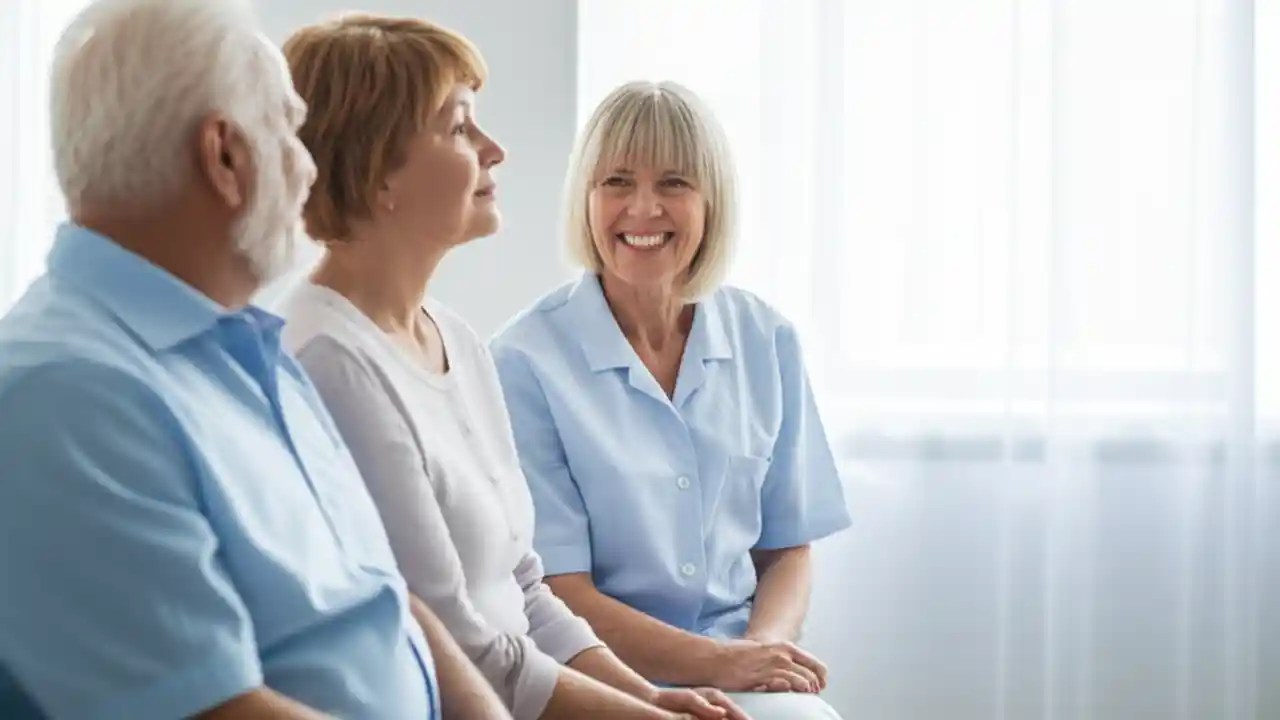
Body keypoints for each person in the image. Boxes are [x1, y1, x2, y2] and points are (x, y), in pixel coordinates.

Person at [0, 1, 509, 718]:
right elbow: (220, 711)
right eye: (289, 131)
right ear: (226, 157)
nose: (310, 172)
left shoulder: (246, 353)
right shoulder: (65, 397)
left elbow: (387, 602)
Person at [276, 15, 743, 720]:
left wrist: (653, 697)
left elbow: (522, 587)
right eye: (460, 126)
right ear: (378, 173)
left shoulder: (457, 339)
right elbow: (459, 645)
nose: (495, 149)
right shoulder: (329, 361)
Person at [490, 80, 852, 720]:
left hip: (737, 662)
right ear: (586, 198)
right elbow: (557, 589)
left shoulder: (767, 339)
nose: (643, 209)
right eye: (618, 182)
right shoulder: (523, 361)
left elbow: (788, 545)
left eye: (675, 184)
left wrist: (761, 652)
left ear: (712, 201)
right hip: (598, 676)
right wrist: (718, 665)